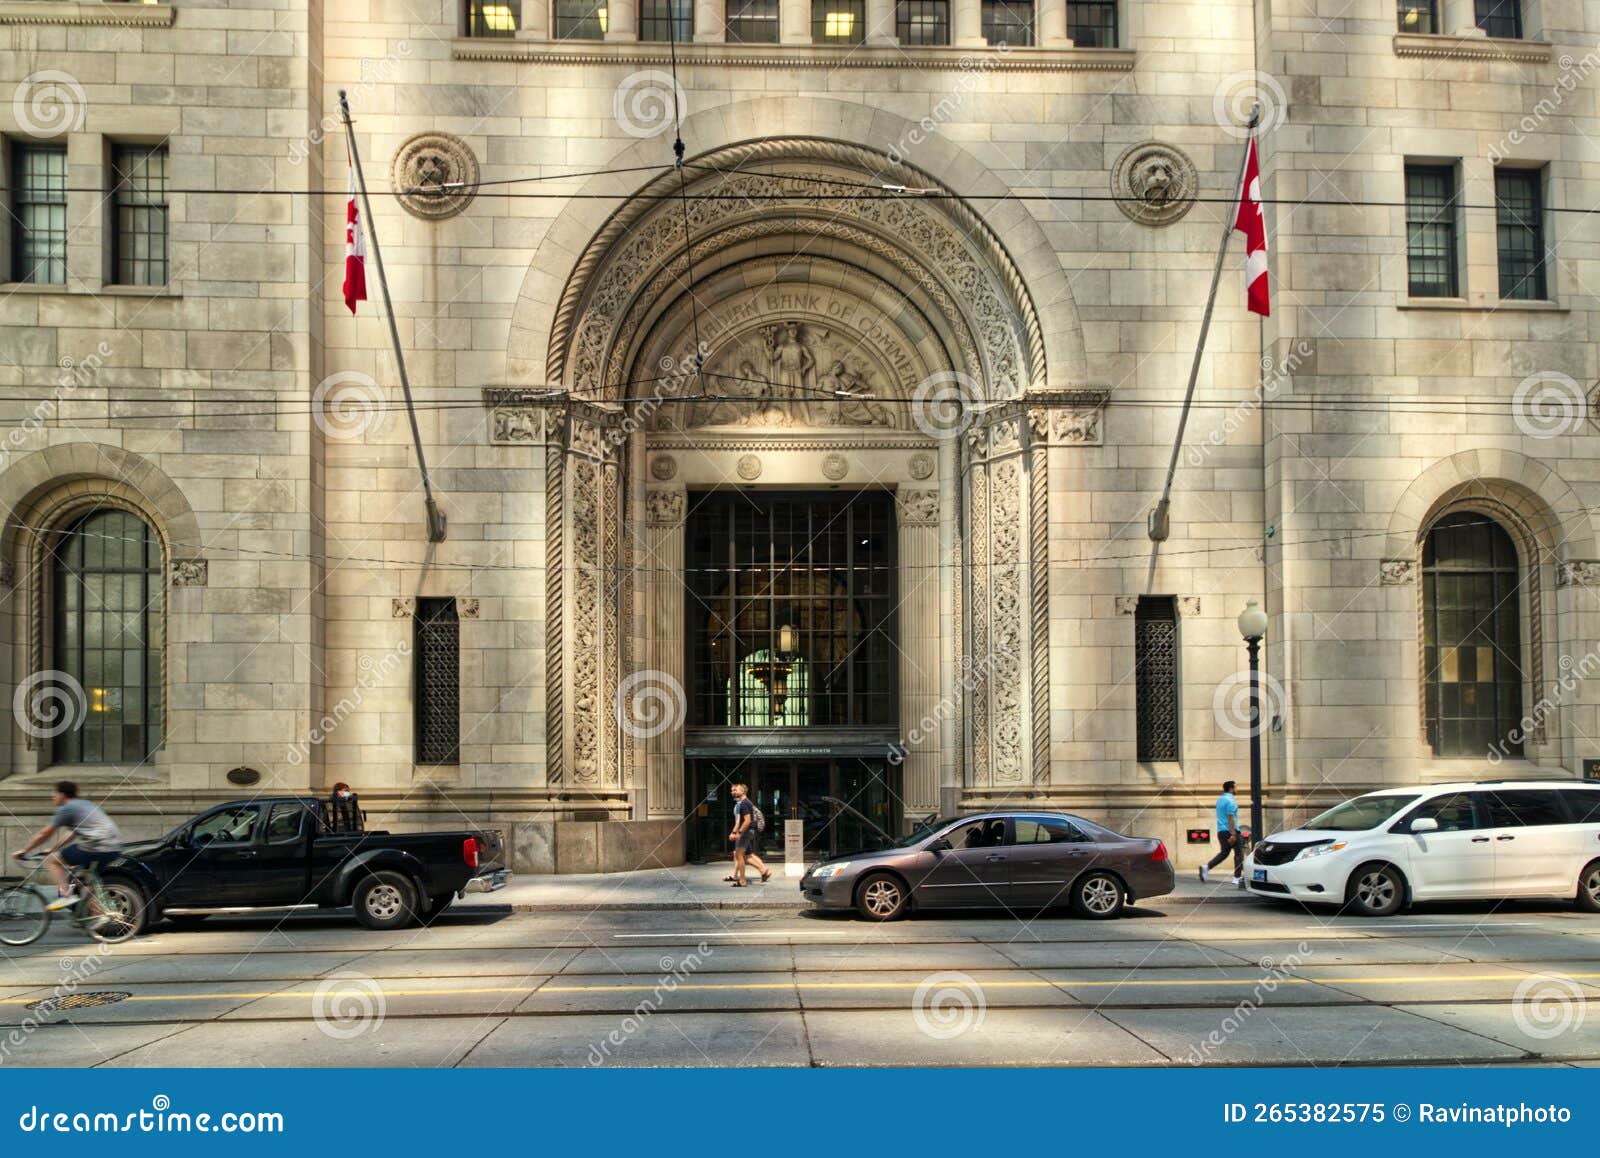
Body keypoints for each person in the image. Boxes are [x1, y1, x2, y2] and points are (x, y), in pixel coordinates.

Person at [11, 781, 124, 912]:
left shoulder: (67, 808)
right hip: (114, 847)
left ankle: (65, 895)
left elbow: (45, 833)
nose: (52, 797)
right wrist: (54, 848)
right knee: (84, 880)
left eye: (55, 793)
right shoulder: (85, 804)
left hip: (97, 845)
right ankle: (102, 915)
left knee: (54, 861)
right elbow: (72, 833)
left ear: (62, 795)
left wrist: (25, 850)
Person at [1200, 780, 1244, 884]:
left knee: (1224, 853)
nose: (1237, 789)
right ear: (1231, 788)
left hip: (1221, 831)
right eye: (1236, 787)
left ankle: (1206, 867)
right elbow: (1230, 817)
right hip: (1231, 831)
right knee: (1239, 854)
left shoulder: (1220, 800)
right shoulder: (1231, 801)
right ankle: (1237, 878)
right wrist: (1233, 834)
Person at [727, 783, 771, 887]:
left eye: (735, 790)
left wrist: (739, 833)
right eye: (732, 790)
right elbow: (738, 821)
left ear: (743, 791)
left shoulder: (745, 803)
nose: (733, 792)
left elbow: (747, 821)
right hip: (746, 832)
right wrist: (734, 832)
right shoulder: (742, 803)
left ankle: (742, 880)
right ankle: (764, 871)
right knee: (745, 855)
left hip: (746, 833)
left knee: (739, 855)